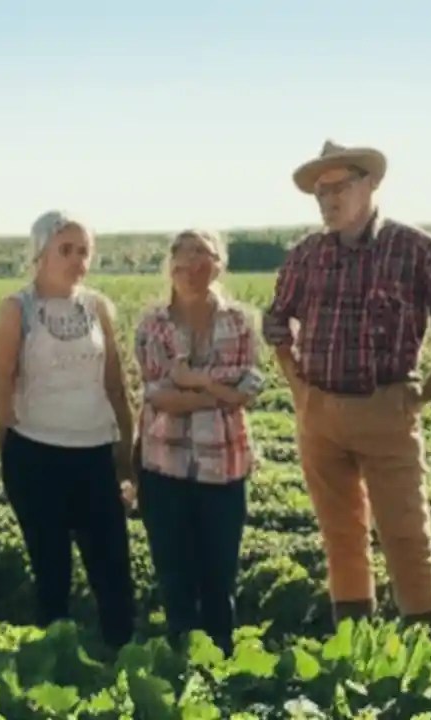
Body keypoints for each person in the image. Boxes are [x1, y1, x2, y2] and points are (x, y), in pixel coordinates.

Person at [263, 140, 431, 629]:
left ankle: (424, 648)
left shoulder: (411, 247)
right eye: (320, 193)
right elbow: (277, 321)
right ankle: (354, 644)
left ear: (370, 184)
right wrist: (298, 389)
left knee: (406, 535)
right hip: (319, 412)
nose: (327, 201)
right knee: (340, 536)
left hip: (387, 406)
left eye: (338, 187)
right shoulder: (306, 254)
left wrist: (424, 393)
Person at [0, 210, 137, 650]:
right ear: (40, 253)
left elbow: (115, 382)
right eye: (66, 250)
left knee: (113, 570)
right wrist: (8, 455)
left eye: (84, 251)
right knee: (51, 571)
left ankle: (121, 659)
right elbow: (3, 389)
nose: (77, 260)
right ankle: (55, 664)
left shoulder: (96, 307)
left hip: (94, 453)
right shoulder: (17, 310)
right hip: (36, 454)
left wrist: (126, 456)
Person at [133, 229, 264, 656]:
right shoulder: (153, 324)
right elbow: (158, 396)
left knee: (219, 576)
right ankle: (181, 664)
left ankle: (219, 664)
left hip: (224, 464)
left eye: (202, 255)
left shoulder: (240, 322)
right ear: (170, 266)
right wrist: (219, 394)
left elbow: (246, 388)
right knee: (175, 576)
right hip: (163, 463)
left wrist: (192, 382)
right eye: (181, 257)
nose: (191, 266)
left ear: (218, 264)